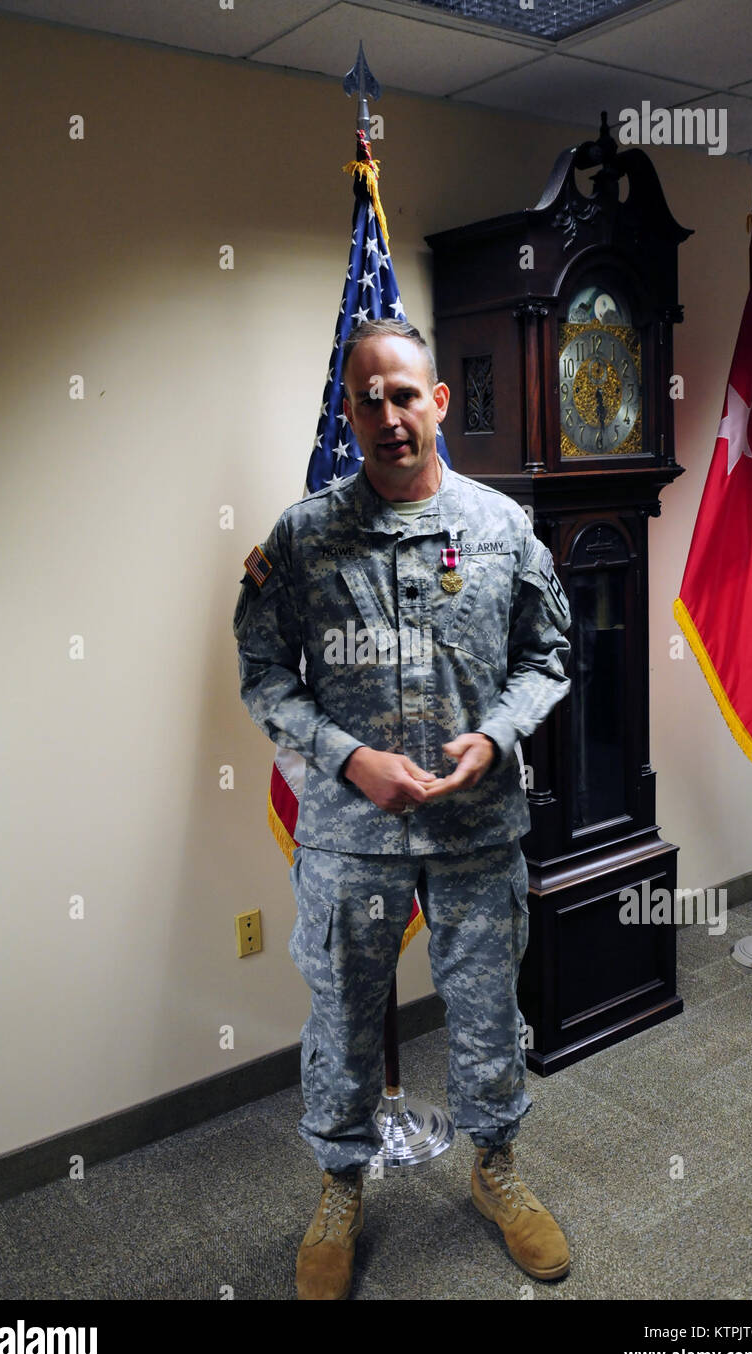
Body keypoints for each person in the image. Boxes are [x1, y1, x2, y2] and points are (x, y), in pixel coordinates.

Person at [234, 319, 572, 1300]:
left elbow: (546, 656)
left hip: (476, 830)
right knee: (341, 1020)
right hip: (353, 840)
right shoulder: (300, 538)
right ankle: (339, 1186)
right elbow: (264, 674)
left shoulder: (503, 529)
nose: (387, 413)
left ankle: (496, 1165)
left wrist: (496, 732)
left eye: (403, 393)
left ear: (435, 400)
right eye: (367, 397)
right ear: (350, 412)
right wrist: (345, 761)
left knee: (484, 1010)